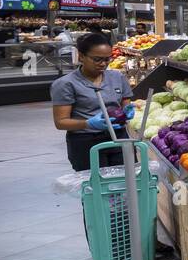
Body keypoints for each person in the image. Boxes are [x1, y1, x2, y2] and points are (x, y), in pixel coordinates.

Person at [50, 32, 135, 171]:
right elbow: (60, 122)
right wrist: (88, 123)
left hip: (119, 138)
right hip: (86, 142)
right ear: (81, 56)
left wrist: (128, 110)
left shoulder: (117, 77)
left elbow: (125, 102)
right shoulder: (65, 84)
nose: (103, 64)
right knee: (96, 187)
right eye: (97, 59)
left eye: (108, 59)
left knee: (127, 184)